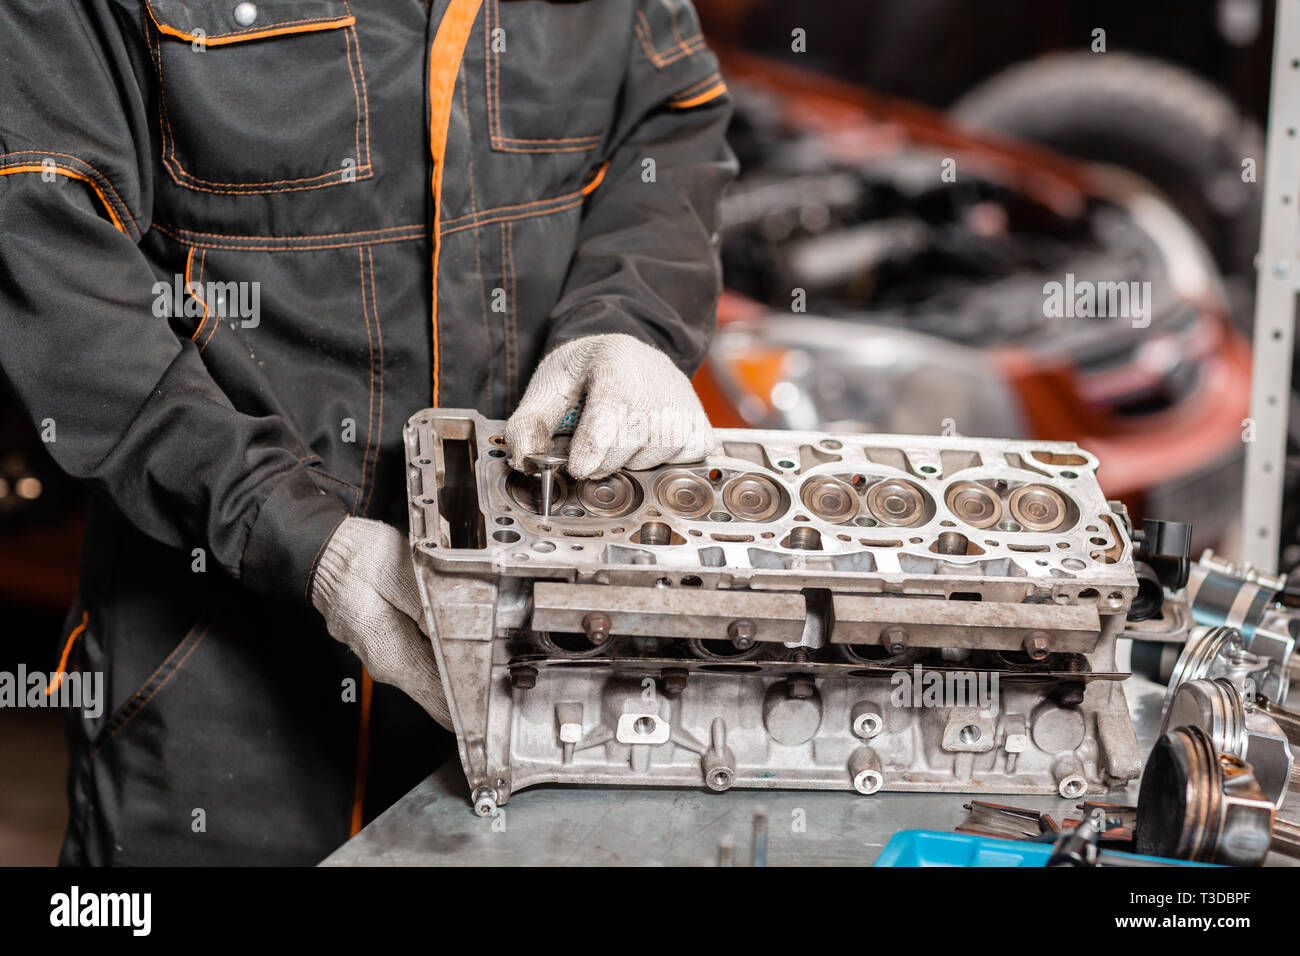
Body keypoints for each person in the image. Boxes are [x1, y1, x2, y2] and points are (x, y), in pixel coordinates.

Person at [0, 0, 734, 864]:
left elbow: (671, 115)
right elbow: (48, 250)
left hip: (546, 649)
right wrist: (291, 532)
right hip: (212, 681)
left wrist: (631, 319)